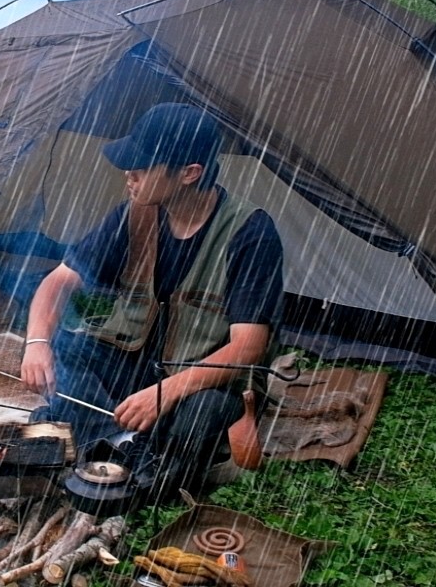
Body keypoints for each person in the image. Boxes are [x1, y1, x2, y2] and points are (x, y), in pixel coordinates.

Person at [21, 102, 284, 498]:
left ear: (189, 174)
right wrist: (36, 344)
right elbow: (57, 282)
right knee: (63, 354)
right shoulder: (133, 215)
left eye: (143, 166)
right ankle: (132, 446)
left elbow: (248, 346)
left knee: (203, 413)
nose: (130, 176)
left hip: (197, 376)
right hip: (130, 358)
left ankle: (107, 441)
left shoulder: (251, 232)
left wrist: (166, 392)